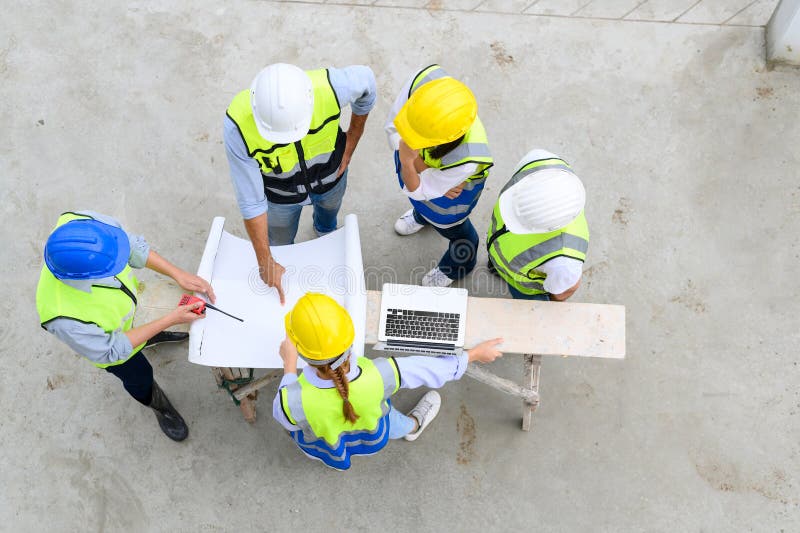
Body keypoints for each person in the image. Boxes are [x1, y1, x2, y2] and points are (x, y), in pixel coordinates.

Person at [35, 211, 216, 441]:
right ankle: (159, 406)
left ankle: (153, 333)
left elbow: (131, 246)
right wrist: (170, 319)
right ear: (85, 277)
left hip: (131, 306)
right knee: (140, 377)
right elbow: (111, 350)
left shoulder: (78, 223)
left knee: (157, 315)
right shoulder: (62, 317)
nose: (122, 263)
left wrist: (176, 273)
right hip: (116, 347)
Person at [272, 293, 504, 470]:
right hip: (373, 432)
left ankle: (408, 427)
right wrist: (472, 355)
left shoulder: (289, 400)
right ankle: (415, 425)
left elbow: (290, 423)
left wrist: (289, 368)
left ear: (300, 352)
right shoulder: (381, 373)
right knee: (396, 423)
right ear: (349, 339)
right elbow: (429, 369)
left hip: (327, 448)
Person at [225, 63, 377, 304]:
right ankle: (285, 255)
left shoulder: (330, 87)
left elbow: (367, 82)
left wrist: (352, 140)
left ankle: (325, 231)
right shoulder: (238, 128)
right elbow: (251, 200)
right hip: (280, 197)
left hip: (331, 179)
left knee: (328, 216)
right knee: (281, 243)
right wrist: (265, 261)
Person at [385, 64, 493, 287]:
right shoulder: (423, 81)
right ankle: (422, 217)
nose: (409, 138)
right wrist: (422, 167)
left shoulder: (466, 159)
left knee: (457, 231)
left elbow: (419, 190)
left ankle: (459, 264)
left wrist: (408, 160)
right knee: (425, 207)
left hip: (453, 198)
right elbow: (393, 129)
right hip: (434, 183)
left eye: (419, 137)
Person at [487, 149, 589, 301]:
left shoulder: (564, 262)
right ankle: (497, 266)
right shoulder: (539, 160)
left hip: (521, 286)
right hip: (502, 255)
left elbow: (566, 290)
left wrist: (546, 305)